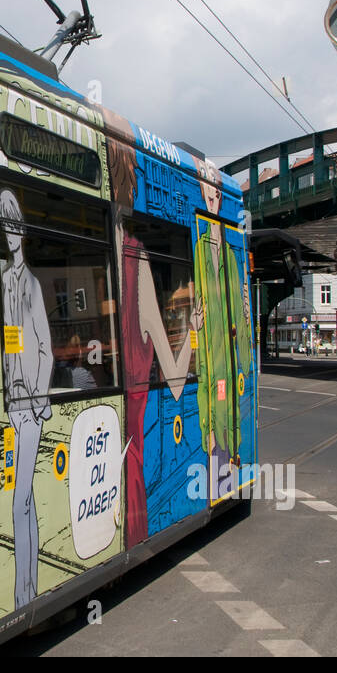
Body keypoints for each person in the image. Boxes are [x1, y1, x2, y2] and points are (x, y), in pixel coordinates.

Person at [103, 111, 203, 547]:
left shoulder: (102, 252)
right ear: (130, 175)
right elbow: (177, 379)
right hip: (130, 473)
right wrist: (195, 330)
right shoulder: (133, 256)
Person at [0, 189, 52, 608]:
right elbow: (9, 342)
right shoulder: (2, 281)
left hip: (28, 411)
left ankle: (21, 598)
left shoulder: (31, 284)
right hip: (10, 406)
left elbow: (46, 352)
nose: (10, 234)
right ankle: (31, 589)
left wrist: (35, 401)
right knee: (28, 500)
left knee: (18, 503)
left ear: (23, 231)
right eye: (5, 227)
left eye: (15, 226)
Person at [194, 158, 253, 476]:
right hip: (209, 367)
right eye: (207, 186)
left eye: (215, 186)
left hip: (228, 372)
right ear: (203, 194)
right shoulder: (198, 248)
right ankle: (220, 465)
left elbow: (241, 327)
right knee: (216, 446)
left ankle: (229, 464)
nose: (212, 191)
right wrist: (191, 326)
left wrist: (245, 314)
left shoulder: (231, 255)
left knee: (230, 429)